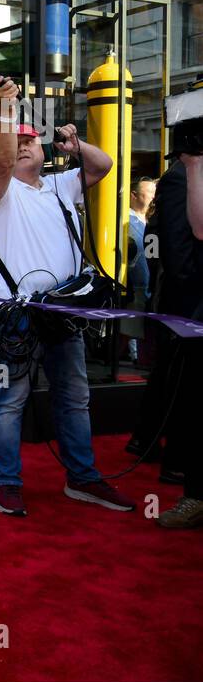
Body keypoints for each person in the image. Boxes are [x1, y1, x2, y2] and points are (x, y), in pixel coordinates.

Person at [0, 76, 134, 517]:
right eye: (18, 139)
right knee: (9, 400)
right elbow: (3, 160)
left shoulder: (60, 187)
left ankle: (82, 478)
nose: (25, 144)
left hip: (63, 314)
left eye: (32, 139)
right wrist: (5, 108)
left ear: (45, 152)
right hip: (17, 317)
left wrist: (78, 147)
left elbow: (104, 165)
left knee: (74, 396)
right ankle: (6, 484)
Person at [151, 134, 203, 528]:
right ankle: (194, 492)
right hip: (192, 308)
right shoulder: (180, 176)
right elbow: (187, 242)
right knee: (187, 396)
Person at [124, 175, 156, 365]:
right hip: (134, 284)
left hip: (149, 283)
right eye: (150, 191)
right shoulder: (125, 221)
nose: (154, 196)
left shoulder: (152, 222)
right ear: (134, 195)